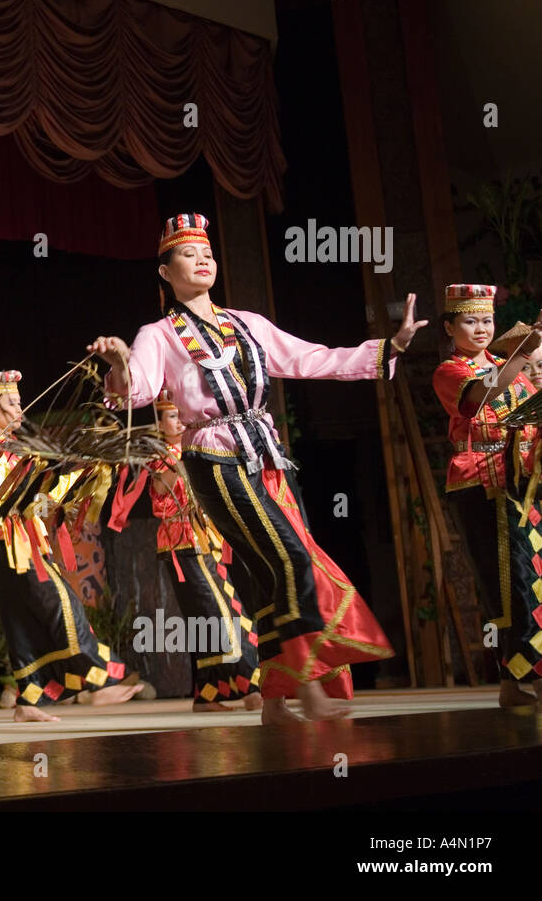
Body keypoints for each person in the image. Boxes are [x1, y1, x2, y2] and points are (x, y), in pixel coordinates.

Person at [88, 214, 420, 724]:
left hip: (263, 458)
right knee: (288, 558)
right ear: (164, 270)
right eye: (188, 253)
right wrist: (117, 363)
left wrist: (386, 350)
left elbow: (311, 358)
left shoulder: (247, 324)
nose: (202, 260)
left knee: (269, 576)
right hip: (213, 460)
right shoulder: (157, 334)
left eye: (207, 253)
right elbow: (137, 391)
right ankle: (308, 688)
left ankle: (273, 701)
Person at [0, 370, 143, 722]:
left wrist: (80, 474)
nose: (21, 411)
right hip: (14, 547)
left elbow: (41, 504)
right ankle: (100, 677)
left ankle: (29, 700)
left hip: (20, 544)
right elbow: (4, 505)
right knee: (62, 605)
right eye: (12, 404)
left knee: (23, 621)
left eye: (20, 402)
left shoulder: (11, 452)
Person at [432, 286, 542, 705]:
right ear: (449, 327)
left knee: (532, 579)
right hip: (479, 480)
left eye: (487, 321)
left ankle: (513, 684)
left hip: (521, 479)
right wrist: (522, 357)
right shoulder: (450, 371)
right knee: (506, 582)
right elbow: (483, 396)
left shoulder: (507, 363)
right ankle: (519, 678)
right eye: (470, 321)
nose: (481, 329)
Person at [140, 389, 262, 711]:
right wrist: (181, 457)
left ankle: (209, 694)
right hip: (182, 546)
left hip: (205, 542)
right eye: (171, 416)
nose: (179, 422)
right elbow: (160, 491)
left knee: (205, 622)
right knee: (222, 613)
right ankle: (251, 685)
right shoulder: (159, 457)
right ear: (160, 423)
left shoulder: (197, 451)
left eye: (182, 415)